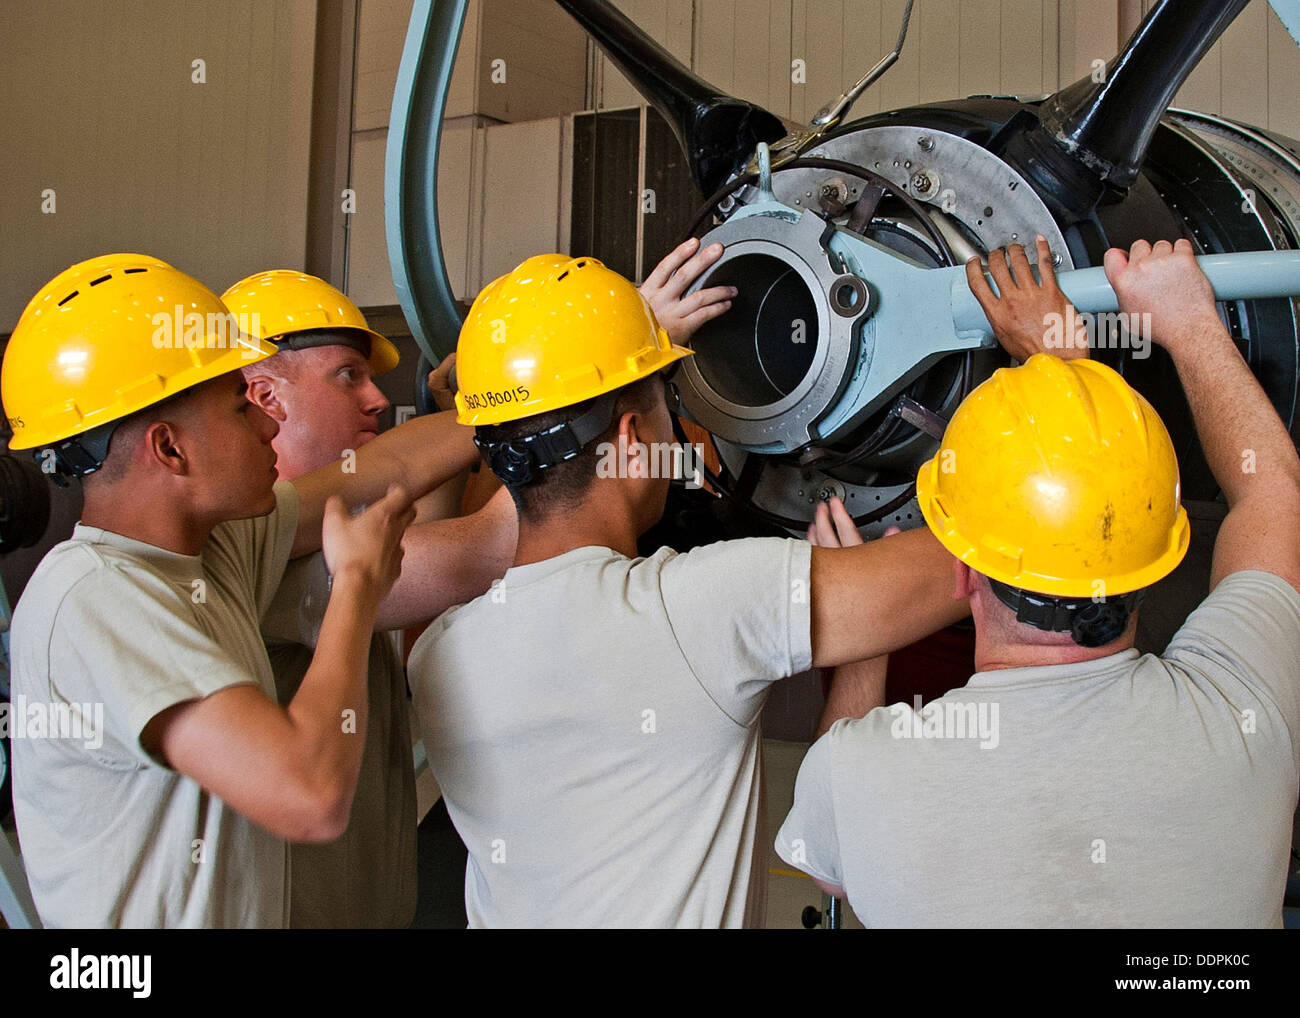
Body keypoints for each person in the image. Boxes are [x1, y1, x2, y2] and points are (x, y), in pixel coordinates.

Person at [406, 252, 971, 928]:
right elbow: (974, 562)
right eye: (663, 407)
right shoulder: (698, 607)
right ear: (631, 437)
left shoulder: (438, 651)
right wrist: (1055, 358)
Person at [776, 237, 1300, 927]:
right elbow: (1273, 495)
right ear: (1160, 557)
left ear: (960, 569)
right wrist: (1185, 322)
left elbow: (829, 869)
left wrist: (865, 644)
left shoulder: (859, 776)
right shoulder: (1245, 711)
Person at [2, 253, 481, 928]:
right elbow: (308, 793)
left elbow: (385, 466)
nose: (267, 425)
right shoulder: (97, 599)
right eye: (238, 407)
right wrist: (354, 591)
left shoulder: (212, 552)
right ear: (169, 449)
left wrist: (542, 396)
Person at [222, 269, 517, 927]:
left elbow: (415, 501)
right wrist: (594, 393)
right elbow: (481, 552)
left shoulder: (344, 528)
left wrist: (476, 410)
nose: (378, 398)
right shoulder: (256, 555)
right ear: (265, 396)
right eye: (347, 376)